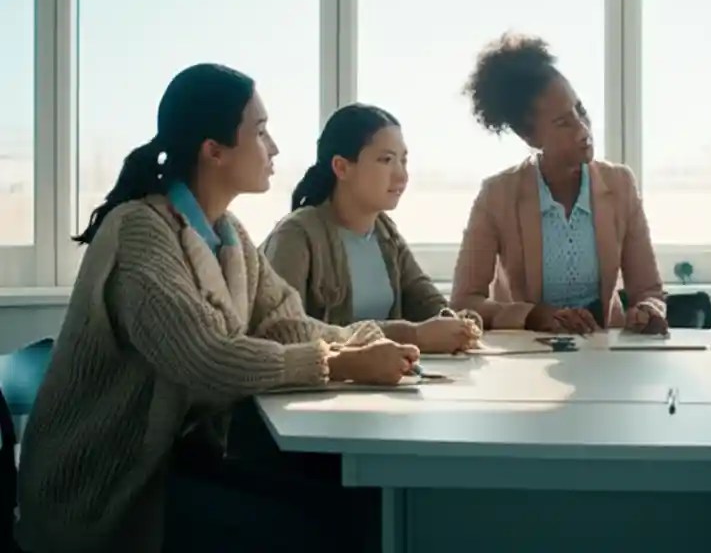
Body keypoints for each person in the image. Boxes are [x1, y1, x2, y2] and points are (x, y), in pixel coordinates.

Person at [16, 64, 418, 553]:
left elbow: (286, 323)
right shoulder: (140, 230)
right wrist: (337, 364)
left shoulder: (229, 236)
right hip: (113, 486)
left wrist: (366, 343)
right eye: (262, 132)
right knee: (338, 520)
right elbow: (204, 359)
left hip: (179, 463)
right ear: (214, 150)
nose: (273, 149)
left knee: (355, 502)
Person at [451, 33, 667, 334]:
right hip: (528, 357)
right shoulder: (497, 196)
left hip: (604, 352)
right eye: (563, 123)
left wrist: (648, 310)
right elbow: (464, 303)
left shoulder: (620, 185)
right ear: (530, 138)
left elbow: (649, 291)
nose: (583, 130)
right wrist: (532, 316)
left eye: (581, 111)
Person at [262, 104, 482, 353]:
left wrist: (457, 325)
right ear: (342, 167)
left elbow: (426, 301)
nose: (402, 175)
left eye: (403, 160)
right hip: (322, 388)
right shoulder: (296, 235)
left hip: (382, 384)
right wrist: (411, 335)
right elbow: (284, 331)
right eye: (386, 160)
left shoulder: (384, 232)